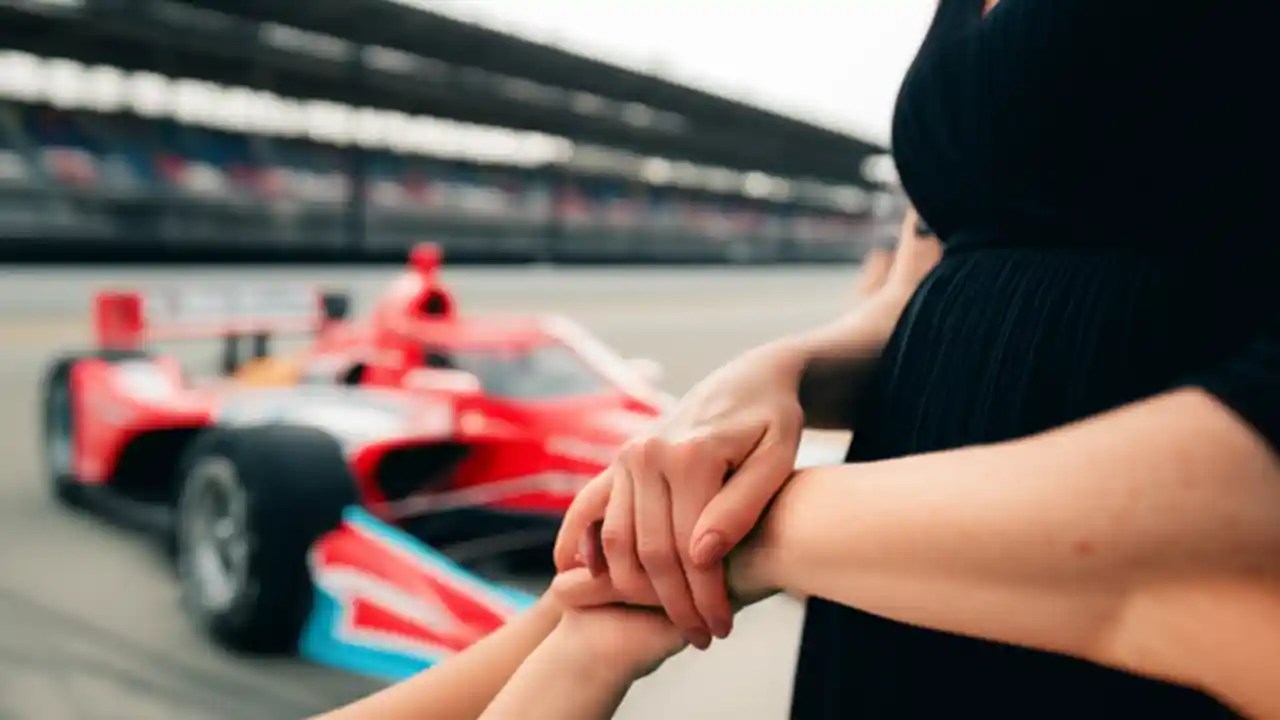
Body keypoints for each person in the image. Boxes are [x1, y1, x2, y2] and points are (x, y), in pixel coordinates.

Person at [553, 1, 1280, 717]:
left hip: (1136, 564)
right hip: (888, 581)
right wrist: (783, 372)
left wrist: (779, 529)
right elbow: (920, 286)